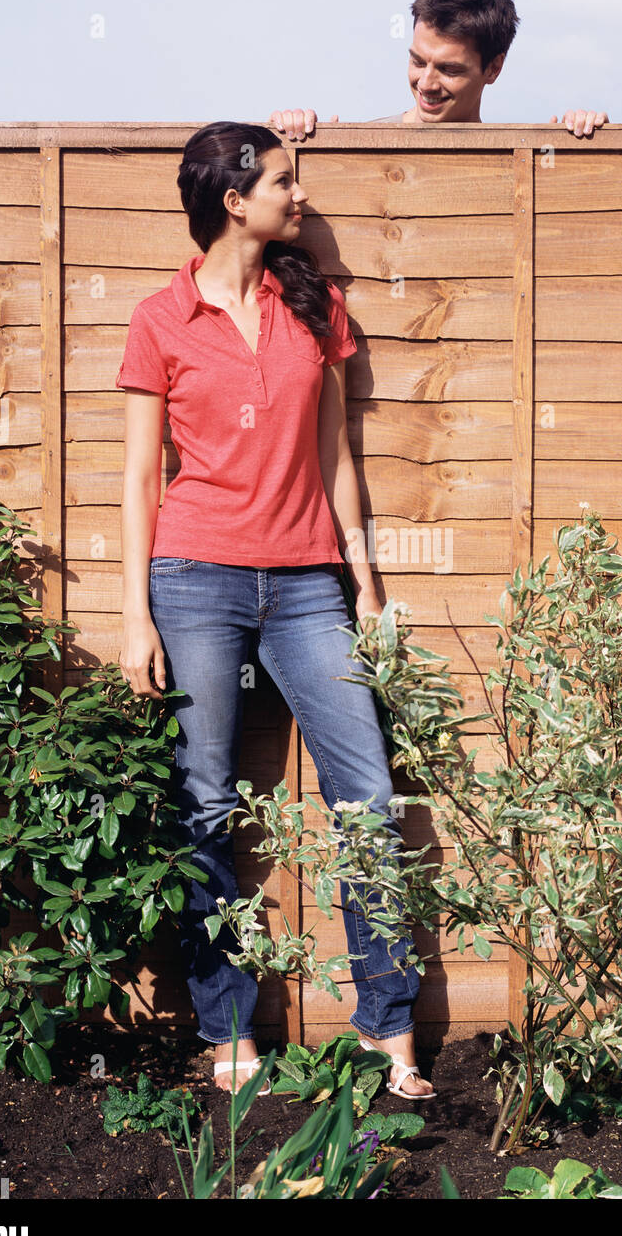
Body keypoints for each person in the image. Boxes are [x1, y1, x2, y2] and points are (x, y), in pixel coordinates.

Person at [117, 121, 435, 1100]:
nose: (298, 197)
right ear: (234, 199)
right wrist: (135, 615)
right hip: (195, 577)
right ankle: (227, 1028)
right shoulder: (161, 318)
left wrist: (367, 583)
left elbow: (338, 452)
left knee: (369, 796)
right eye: (286, 182)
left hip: (305, 585)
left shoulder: (313, 302)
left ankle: (387, 1027)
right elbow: (138, 479)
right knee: (208, 803)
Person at [269, 0, 610, 140]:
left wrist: (585, 140)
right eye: (418, 61)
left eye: (449, 69)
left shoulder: (518, 157)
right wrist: (285, 136)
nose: (426, 83)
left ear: (493, 68)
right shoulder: (361, 141)